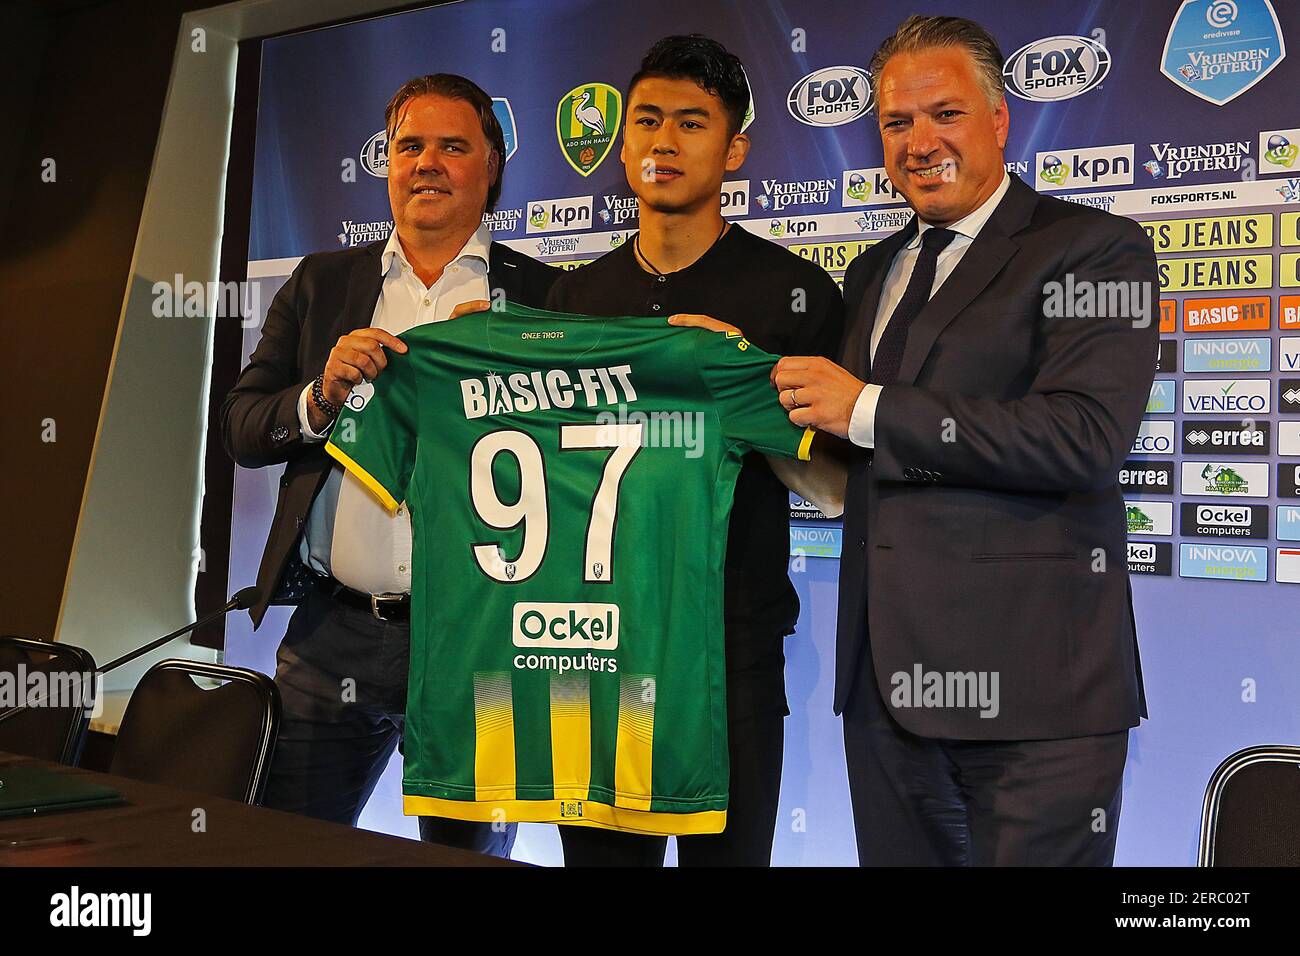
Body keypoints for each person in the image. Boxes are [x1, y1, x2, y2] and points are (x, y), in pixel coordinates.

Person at [769, 15, 1157, 865]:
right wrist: (724, 380)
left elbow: (1086, 436)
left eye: (943, 113)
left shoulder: (1094, 249)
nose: (919, 141)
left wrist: (865, 407)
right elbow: (848, 465)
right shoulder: (874, 269)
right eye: (896, 123)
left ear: (997, 121)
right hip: (883, 697)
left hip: (1036, 705)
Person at [220, 73, 557, 857]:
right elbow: (241, 428)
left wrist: (519, 371)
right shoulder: (321, 284)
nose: (427, 163)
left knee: (467, 858)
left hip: (483, 638)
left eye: (452, 146)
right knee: (288, 851)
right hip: (330, 636)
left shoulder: (546, 297)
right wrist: (319, 397)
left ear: (492, 166)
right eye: (410, 146)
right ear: (388, 163)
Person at [545, 34, 844, 866]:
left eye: (690, 123)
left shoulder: (796, 293)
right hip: (595, 646)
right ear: (622, 142)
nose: (662, 143)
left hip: (730, 651)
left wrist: (744, 383)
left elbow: (835, 491)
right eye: (645, 122)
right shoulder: (574, 297)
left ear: (734, 148)